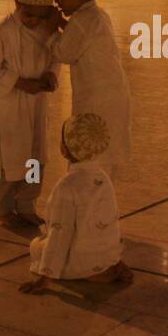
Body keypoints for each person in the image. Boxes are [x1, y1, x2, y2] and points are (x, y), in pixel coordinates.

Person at [20, 113, 133, 294]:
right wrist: (113, 258)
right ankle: (105, 267)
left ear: (64, 150)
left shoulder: (66, 187)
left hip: (82, 262)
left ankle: (88, 273)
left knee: (36, 247)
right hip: (108, 257)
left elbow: (60, 234)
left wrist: (45, 277)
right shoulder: (104, 179)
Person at [0, 0, 60, 229]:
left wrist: (51, 75)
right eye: (29, 15)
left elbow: (55, 57)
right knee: (8, 159)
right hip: (9, 106)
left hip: (36, 106)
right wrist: (21, 82)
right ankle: (2, 209)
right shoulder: (2, 32)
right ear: (17, 4)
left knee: (35, 156)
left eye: (41, 16)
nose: (34, 21)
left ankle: (27, 204)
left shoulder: (48, 32)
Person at [44, 0, 132, 183]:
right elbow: (79, 36)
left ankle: (90, 208)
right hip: (110, 94)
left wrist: (51, 29)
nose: (57, 1)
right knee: (102, 152)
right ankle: (99, 207)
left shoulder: (83, 20)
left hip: (98, 98)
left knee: (91, 155)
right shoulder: (96, 15)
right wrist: (64, 25)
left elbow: (64, 53)